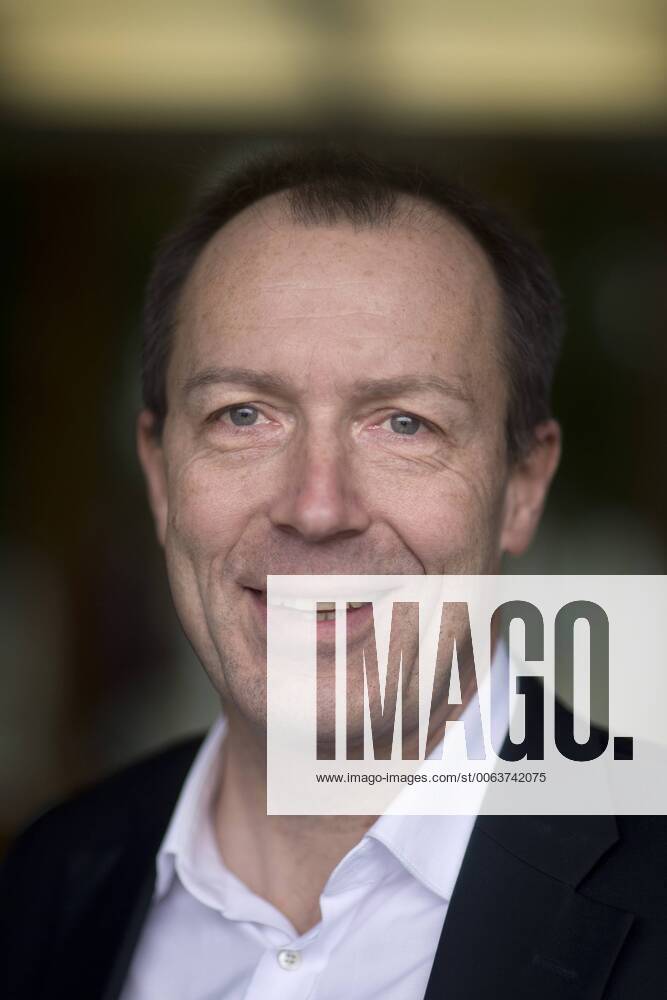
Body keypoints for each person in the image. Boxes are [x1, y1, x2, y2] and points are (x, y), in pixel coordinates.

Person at [1, 149, 664, 999]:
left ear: (521, 490)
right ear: (162, 477)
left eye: (404, 424)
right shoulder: (51, 876)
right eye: (243, 414)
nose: (317, 508)